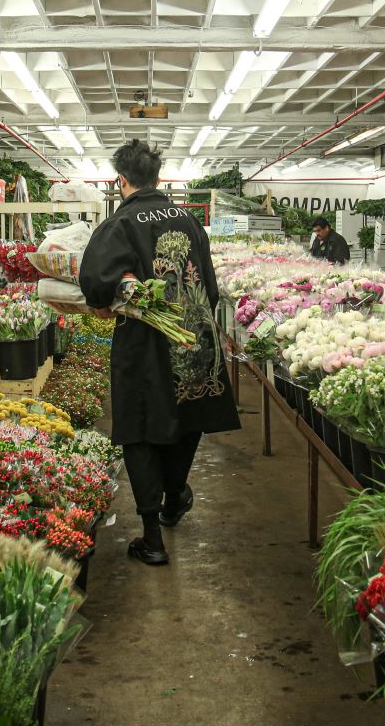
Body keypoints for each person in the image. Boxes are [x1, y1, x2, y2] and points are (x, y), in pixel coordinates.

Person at [78, 140, 239, 566]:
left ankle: (152, 536)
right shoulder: (188, 219)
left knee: (140, 429)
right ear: (159, 178)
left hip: (145, 343)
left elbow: (96, 283)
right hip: (194, 333)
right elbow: (210, 284)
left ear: (121, 179)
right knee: (188, 419)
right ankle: (173, 500)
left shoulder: (120, 223)